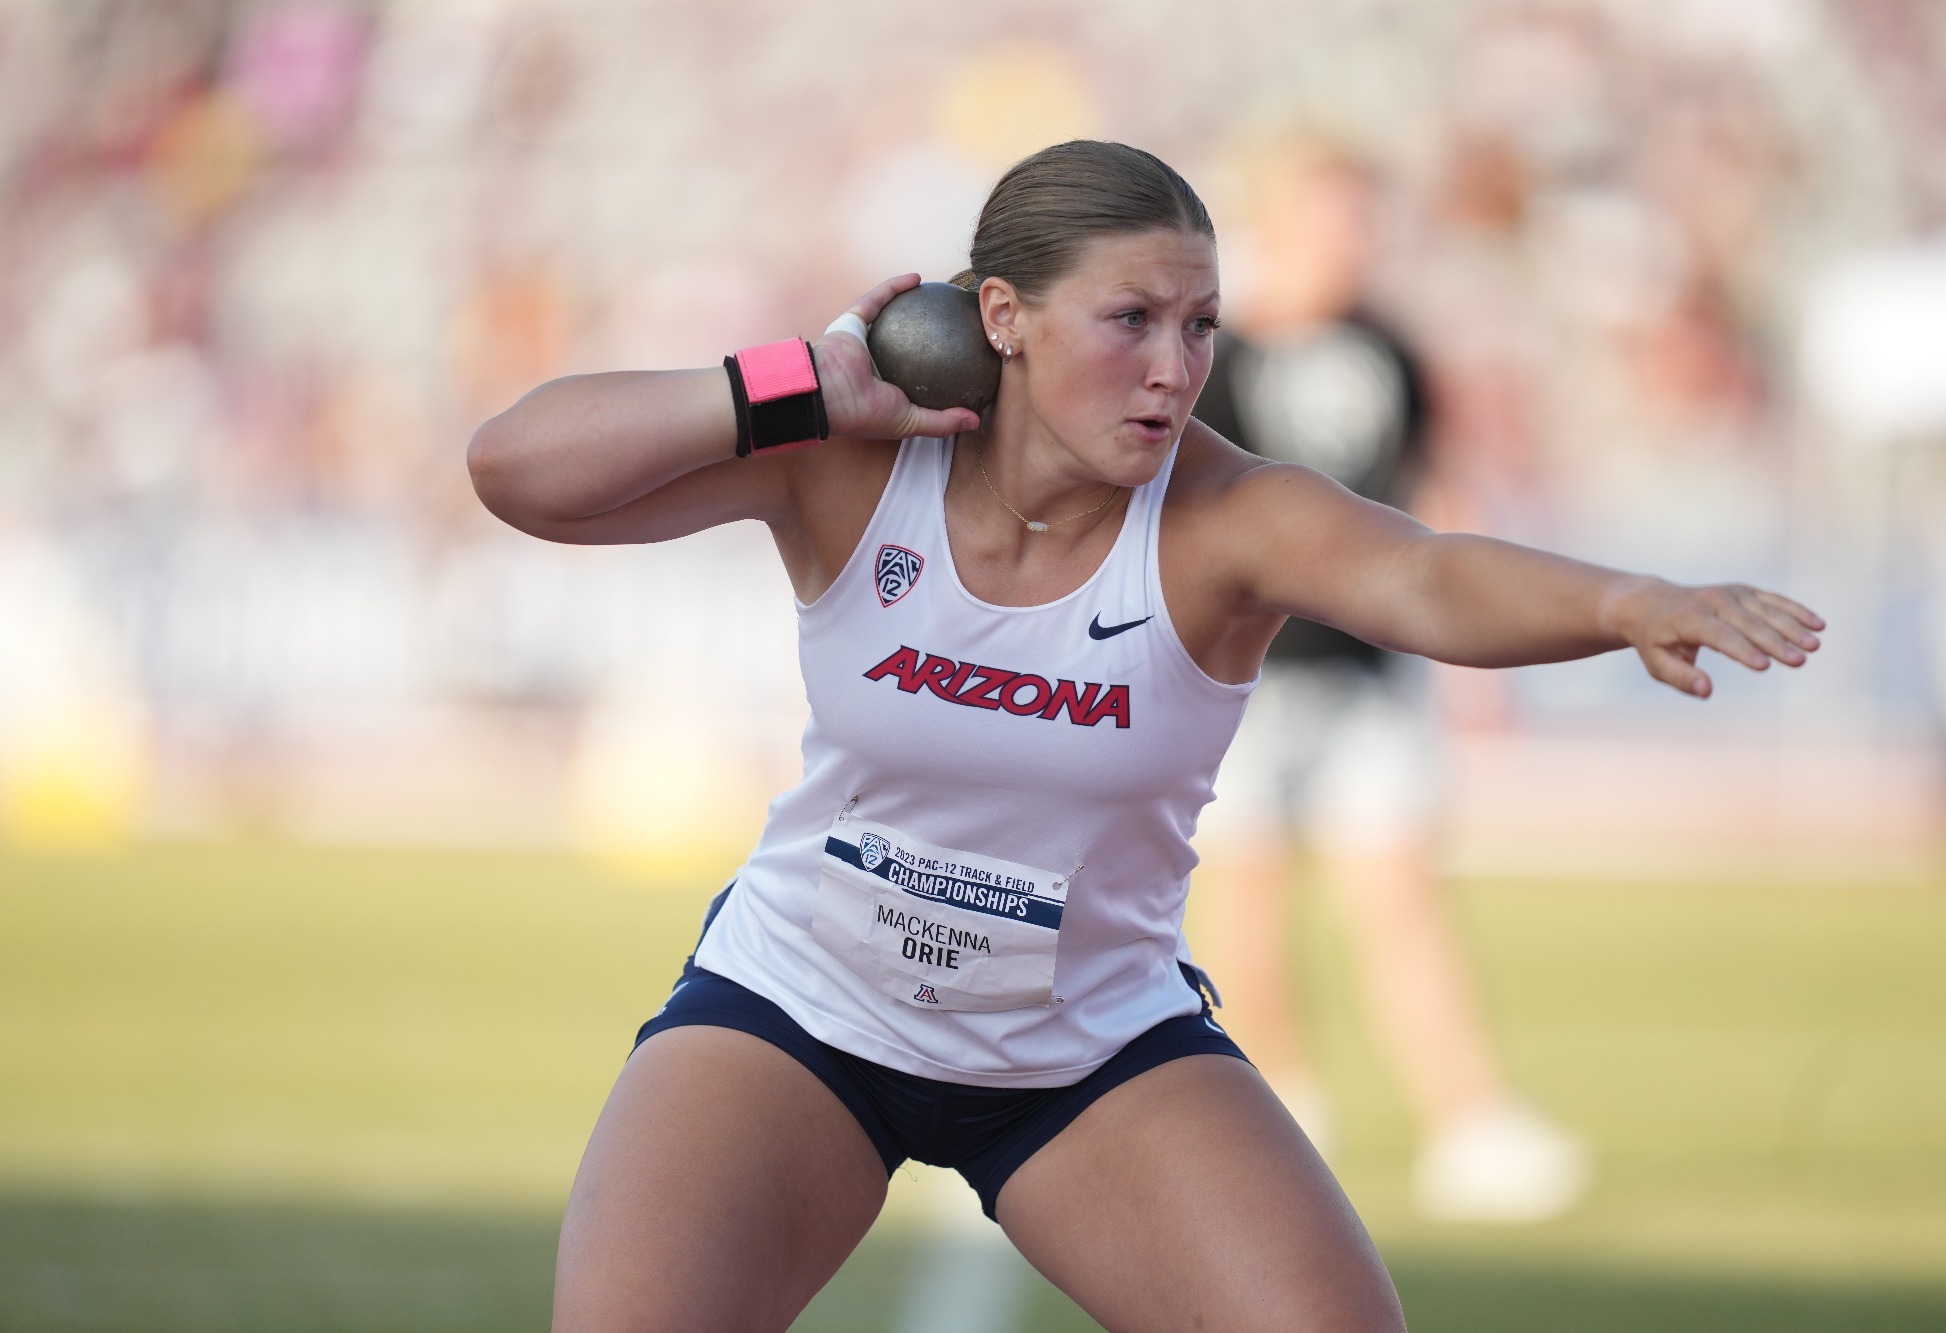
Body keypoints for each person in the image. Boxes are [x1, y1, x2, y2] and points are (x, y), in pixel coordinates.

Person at [467, 140, 1821, 1332]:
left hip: (1085, 1052)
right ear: (998, 316)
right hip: (802, 1009)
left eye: (1202, 324)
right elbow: (518, 470)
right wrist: (800, 383)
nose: (1175, 370)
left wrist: (1628, 599)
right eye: (1131, 319)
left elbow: (1425, 576)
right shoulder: (852, 458)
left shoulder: (1226, 515)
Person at [1192, 141, 1588, 1222]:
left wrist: (1479, 645)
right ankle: (1279, 1103)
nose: (1354, 238)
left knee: (1401, 897)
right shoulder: (1212, 350)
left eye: (1363, 217)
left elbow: (1437, 488)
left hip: (1363, 673)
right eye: (1332, 215)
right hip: (1239, 677)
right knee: (1249, 903)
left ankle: (1467, 1119)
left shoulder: (1389, 346)